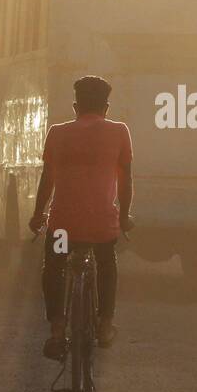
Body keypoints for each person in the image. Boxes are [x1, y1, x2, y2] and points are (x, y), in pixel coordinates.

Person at [28, 75, 134, 360]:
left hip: (63, 227)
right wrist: (124, 218)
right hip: (101, 226)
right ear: (106, 108)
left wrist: (38, 215)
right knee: (106, 263)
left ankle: (56, 330)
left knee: (54, 267)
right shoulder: (119, 132)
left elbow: (47, 180)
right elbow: (125, 183)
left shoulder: (57, 133)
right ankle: (104, 324)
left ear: (76, 107)